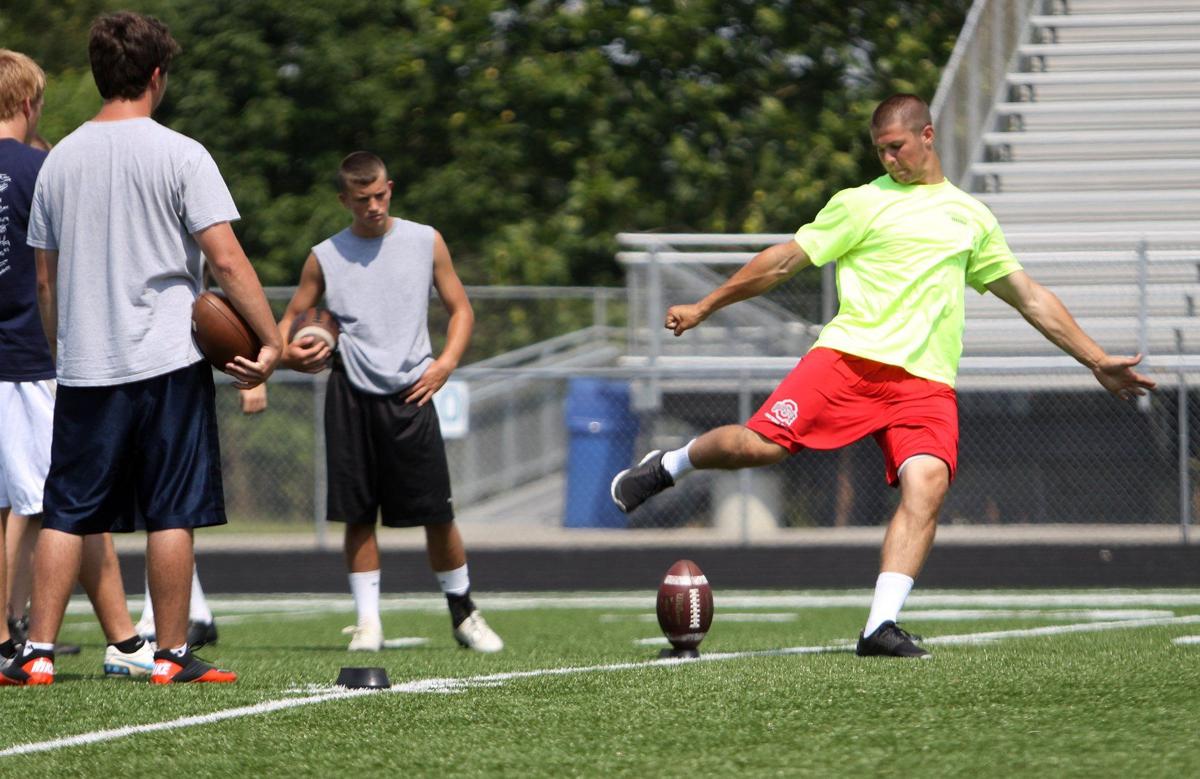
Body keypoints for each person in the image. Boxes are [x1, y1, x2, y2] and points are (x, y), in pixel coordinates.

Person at [610, 94, 1156, 658]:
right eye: (880, 151)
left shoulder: (970, 217)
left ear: (927, 135)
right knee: (761, 447)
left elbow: (1031, 298)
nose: (889, 159)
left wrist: (1095, 359)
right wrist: (705, 306)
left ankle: (879, 627)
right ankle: (671, 464)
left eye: (895, 146)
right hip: (847, 362)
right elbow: (782, 261)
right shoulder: (860, 204)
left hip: (924, 384)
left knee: (929, 485)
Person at [1, 13, 280, 686]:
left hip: (83, 365)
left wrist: (65, 346)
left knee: (65, 509)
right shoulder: (182, 153)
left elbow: (45, 275)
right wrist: (270, 340)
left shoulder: (59, 157)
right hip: (167, 359)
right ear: (157, 76)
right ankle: (172, 655)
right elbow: (228, 262)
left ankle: (34, 652)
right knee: (172, 508)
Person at [279, 151, 502, 653]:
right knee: (359, 516)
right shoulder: (325, 254)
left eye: (380, 195)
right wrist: (284, 357)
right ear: (345, 200)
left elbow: (460, 309)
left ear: (391, 189)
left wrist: (444, 364)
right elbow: (292, 317)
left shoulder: (425, 240)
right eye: (362, 199)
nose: (373, 206)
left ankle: (464, 614)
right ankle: (368, 623)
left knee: (437, 515)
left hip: (413, 391)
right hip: (350, 394)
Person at [0, 48, 153, 677]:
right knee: (58, 500)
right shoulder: (40, 166)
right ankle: (33, 640)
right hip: (30, 357)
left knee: (43, 500)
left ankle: (122, 639)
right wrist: (69, 348)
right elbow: (47, 276)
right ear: (31, 101)